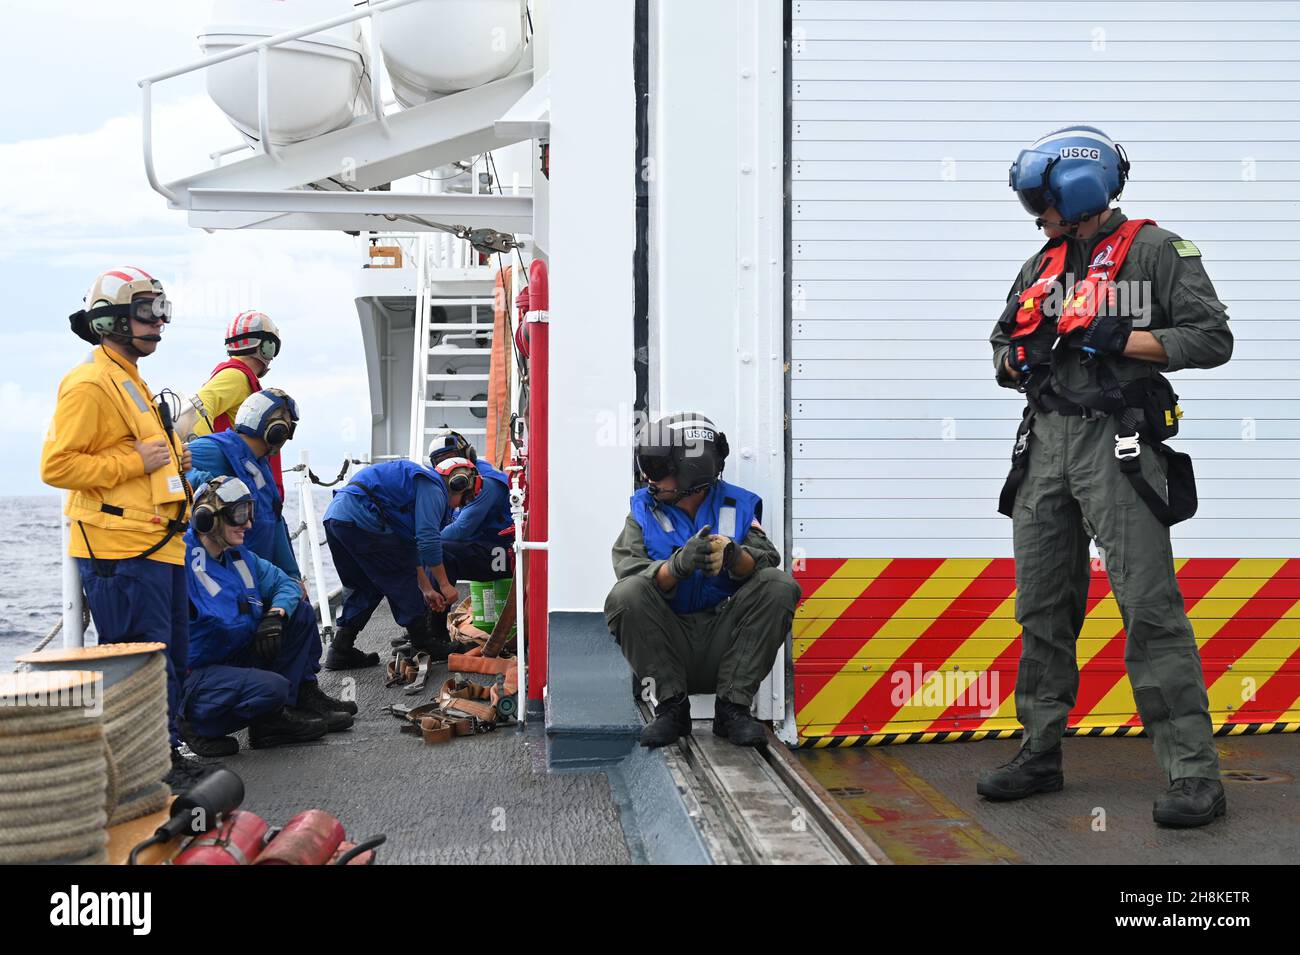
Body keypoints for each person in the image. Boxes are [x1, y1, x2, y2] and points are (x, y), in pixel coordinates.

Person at [985, 125, 1233, 828]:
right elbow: (1001, 347)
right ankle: (1039, 751)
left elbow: (1212, 337)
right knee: (1042, 605)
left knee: (1149, 606)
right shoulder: (1042, 263)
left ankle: (1193, 774)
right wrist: (1020, 357)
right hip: (1045, 447)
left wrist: (1122, 337)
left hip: (1117, 441)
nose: (1038, 214)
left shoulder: (1158, 251)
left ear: (1077, 188)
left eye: (1044, 200)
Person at [42, 266, 201, 791]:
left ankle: (166, 749)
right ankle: (144, 767)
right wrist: (131, 461)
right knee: (138, 661)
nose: (159, 324)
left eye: (162, 312)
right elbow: (58, 466)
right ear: (111, 320)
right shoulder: (88, 384)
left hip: (159, 546)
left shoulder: (128, 378)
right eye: (147, 313)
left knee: (169, 658)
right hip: (121, 552)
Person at [603, 413, 802, 749]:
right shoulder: (643, 510)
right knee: (626, 595)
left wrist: (734, 557)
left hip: (725, 644)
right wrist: (675, 567)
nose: (649, 479)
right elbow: (629, 570)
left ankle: (733, 709)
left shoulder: (738, 505)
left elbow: (765, 557)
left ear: (690, 469)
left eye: (657, 468)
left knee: (779, 585)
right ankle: (671, 708)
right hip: (670, 644)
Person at [179, 477, 355, 756]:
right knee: (272, 688)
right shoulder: (178, 562)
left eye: (248, 513)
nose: (248, 524)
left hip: (233, 655)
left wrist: (274, 614)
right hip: (199, 675)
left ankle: (276, 718)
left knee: (299, 615)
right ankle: (194, 725)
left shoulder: (239, 557)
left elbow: (288, 585)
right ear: (207, 519)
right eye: (238, 515)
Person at [320, 451, 474, 667]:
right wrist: (445, 585)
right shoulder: (434, 488)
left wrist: (427, 588)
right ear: (457, 483)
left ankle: (340, 649)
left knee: (364, 586)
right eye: (464, 499)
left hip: (337, 518)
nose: (459, 506)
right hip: (363, 518)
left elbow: (408, 546)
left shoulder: (417, 485)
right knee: (400, 578)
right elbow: (427, 540)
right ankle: (424, 643)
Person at [186, 388, 302, 578]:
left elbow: (275, 520)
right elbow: (175, 464)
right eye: (287, 427)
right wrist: (207, 483)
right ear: (276, 430)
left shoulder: (261, 465)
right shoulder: (214, 449)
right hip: (226, 574)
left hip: (258, 574)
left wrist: (292, 575)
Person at [189, 310, 286, 497]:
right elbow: (196, 411)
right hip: (238, 483)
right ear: (268, 346)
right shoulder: (236, 376)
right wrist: (204, 462)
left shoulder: (236, 377)